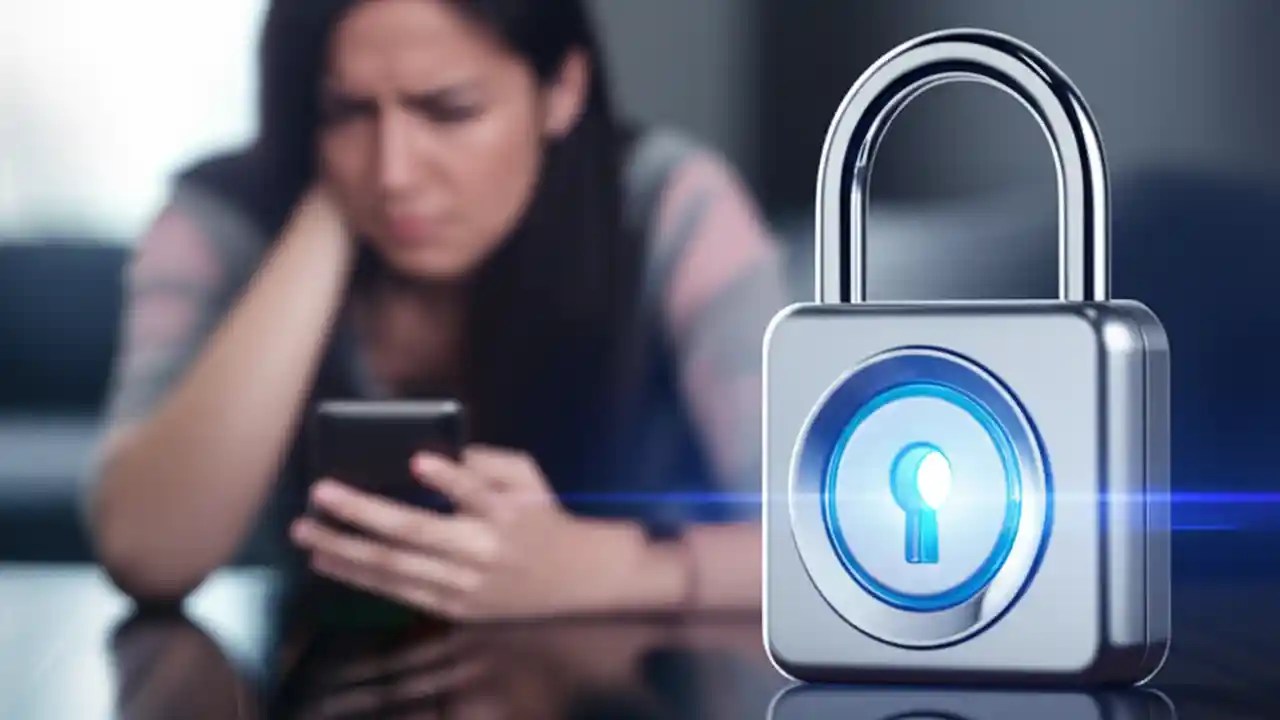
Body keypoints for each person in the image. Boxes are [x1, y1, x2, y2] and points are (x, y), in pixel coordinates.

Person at [86, 0, 790, 619]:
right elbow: (149, 553)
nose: (394, 171)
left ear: (562, 90)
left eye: (450, 111)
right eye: (348, 111)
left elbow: (832, 544)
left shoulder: (668, 204)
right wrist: (328, 215)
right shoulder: (219, 220)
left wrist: (620, 568)